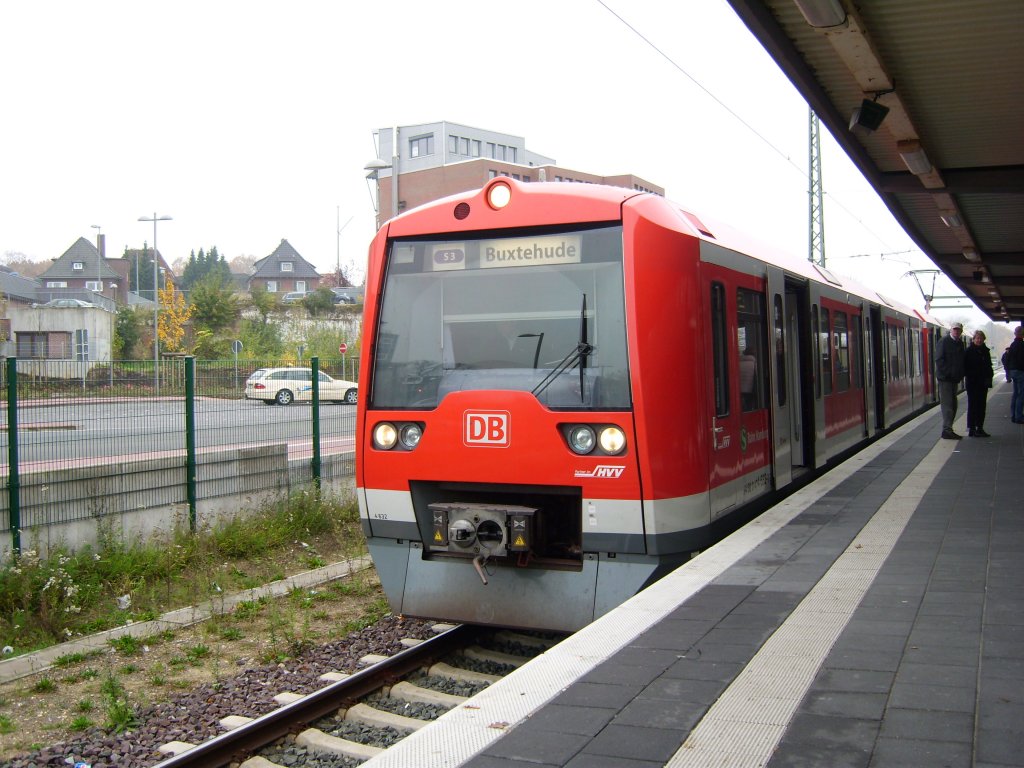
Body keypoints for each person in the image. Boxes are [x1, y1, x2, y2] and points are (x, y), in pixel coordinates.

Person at [934, 322, 966, 439]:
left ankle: (948, 428)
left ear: (961, 331)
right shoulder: (944, 342)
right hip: (946, 379)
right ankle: (946, 430)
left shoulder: (959, 343)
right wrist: (948, 374)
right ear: (951, 330)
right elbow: (939, 360)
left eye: (958, 330)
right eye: (955, 329)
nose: (956, 331)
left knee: (953, 404)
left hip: (954, 379)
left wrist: (960, 374)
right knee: (948, 405)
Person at [963, 330, 994, 437]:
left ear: (983, 339)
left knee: (982, 405)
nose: (979, 340)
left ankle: (979, 427)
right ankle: (971, 428)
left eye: (981, 338)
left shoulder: (986, 351)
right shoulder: (968, 351)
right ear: (973, 339)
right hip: (972, 382)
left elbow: (988, 366)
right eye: (977, 338)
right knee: (972, 405)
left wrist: (989, 377)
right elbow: (965, 367)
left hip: (983, 382)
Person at [1007, 325, 1024, 424]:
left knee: (1016, 393)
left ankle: (1013, 415)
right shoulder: (1022, 345)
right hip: (1020, 371)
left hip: (1013, 371)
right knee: (1021, 394)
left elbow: (1009, 358)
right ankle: (1019, 416)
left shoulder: (1013, 344)